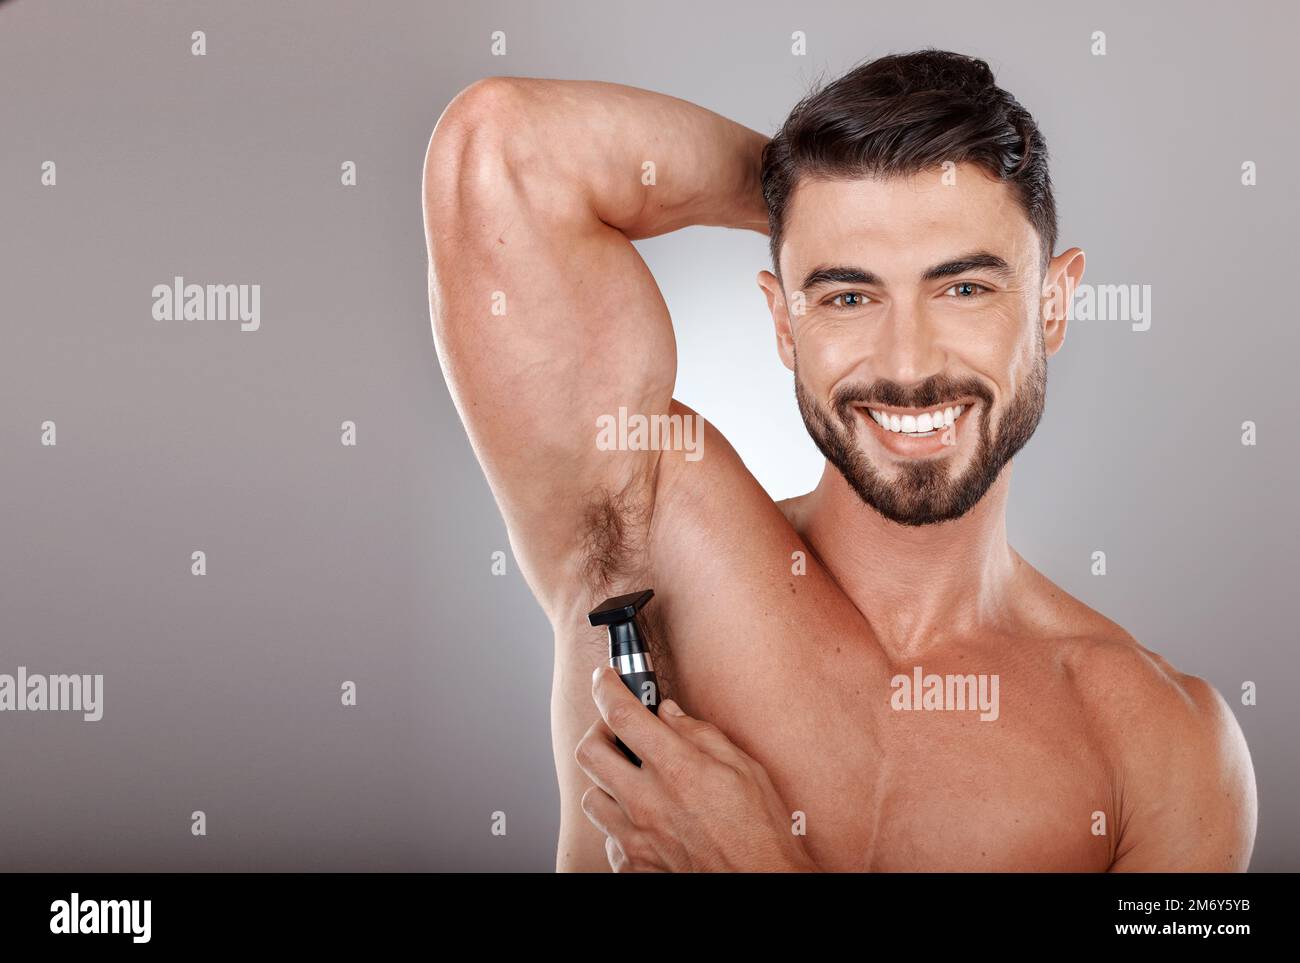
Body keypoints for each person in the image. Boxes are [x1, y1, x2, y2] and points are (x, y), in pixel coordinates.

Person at [422, 50, 1257, 872]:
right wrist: (799, 198)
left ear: (1054, 304)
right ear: (785, 324)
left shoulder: (1163, 751)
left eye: (964, 288)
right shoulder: (646, 525)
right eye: (848, 295)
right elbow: (503, 147)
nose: (907, 363)